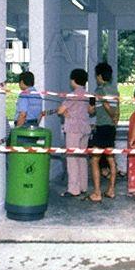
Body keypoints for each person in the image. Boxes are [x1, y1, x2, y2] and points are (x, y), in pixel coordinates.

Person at [56, 68, 94, 198]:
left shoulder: (72, 95)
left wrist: (66, 113)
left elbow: (60, 110)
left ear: (73, 80)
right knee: (82, 158)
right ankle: (83, 186)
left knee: (72, 159)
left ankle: (73, 189)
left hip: (73, 130)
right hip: (85, 129)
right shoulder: (89, 95)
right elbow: (91, 111)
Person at [88, 62, 119, 202]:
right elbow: (117, 109)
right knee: (111, 159)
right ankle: (111, 190)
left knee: (95, 160)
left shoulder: (99, 91)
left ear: (100, 76)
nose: (96, 78)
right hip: (111, 128)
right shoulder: (115, 91)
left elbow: (99, 108)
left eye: (96, 75)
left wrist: (111, 115)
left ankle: (97, 193)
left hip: (102, 127)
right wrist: (115, 120)